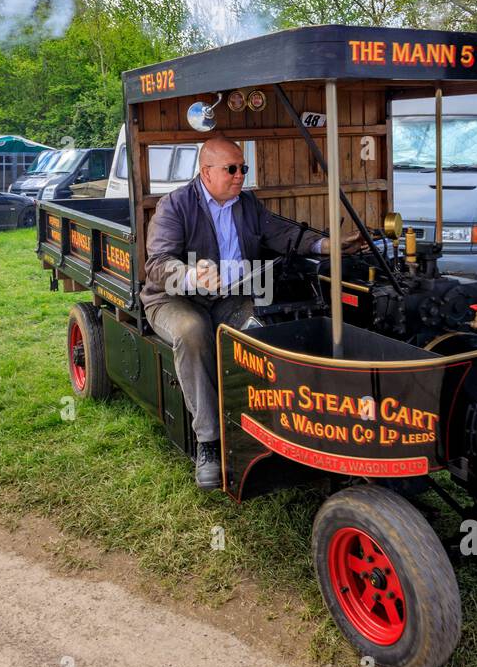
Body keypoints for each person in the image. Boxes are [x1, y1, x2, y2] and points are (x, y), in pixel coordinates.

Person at [143, 136, 364, 489]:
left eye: (242, 168)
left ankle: (266, 424)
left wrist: (326, 245)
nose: (239, 175)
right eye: (231, 169)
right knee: (192, 331)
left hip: (229, 297)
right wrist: (191, 274)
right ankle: (210, 443)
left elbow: (282, 233)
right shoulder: (175, 205)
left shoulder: (246, 204)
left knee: (261, 331)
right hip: (174, 299)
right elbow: (156, 265)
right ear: (206, 171)